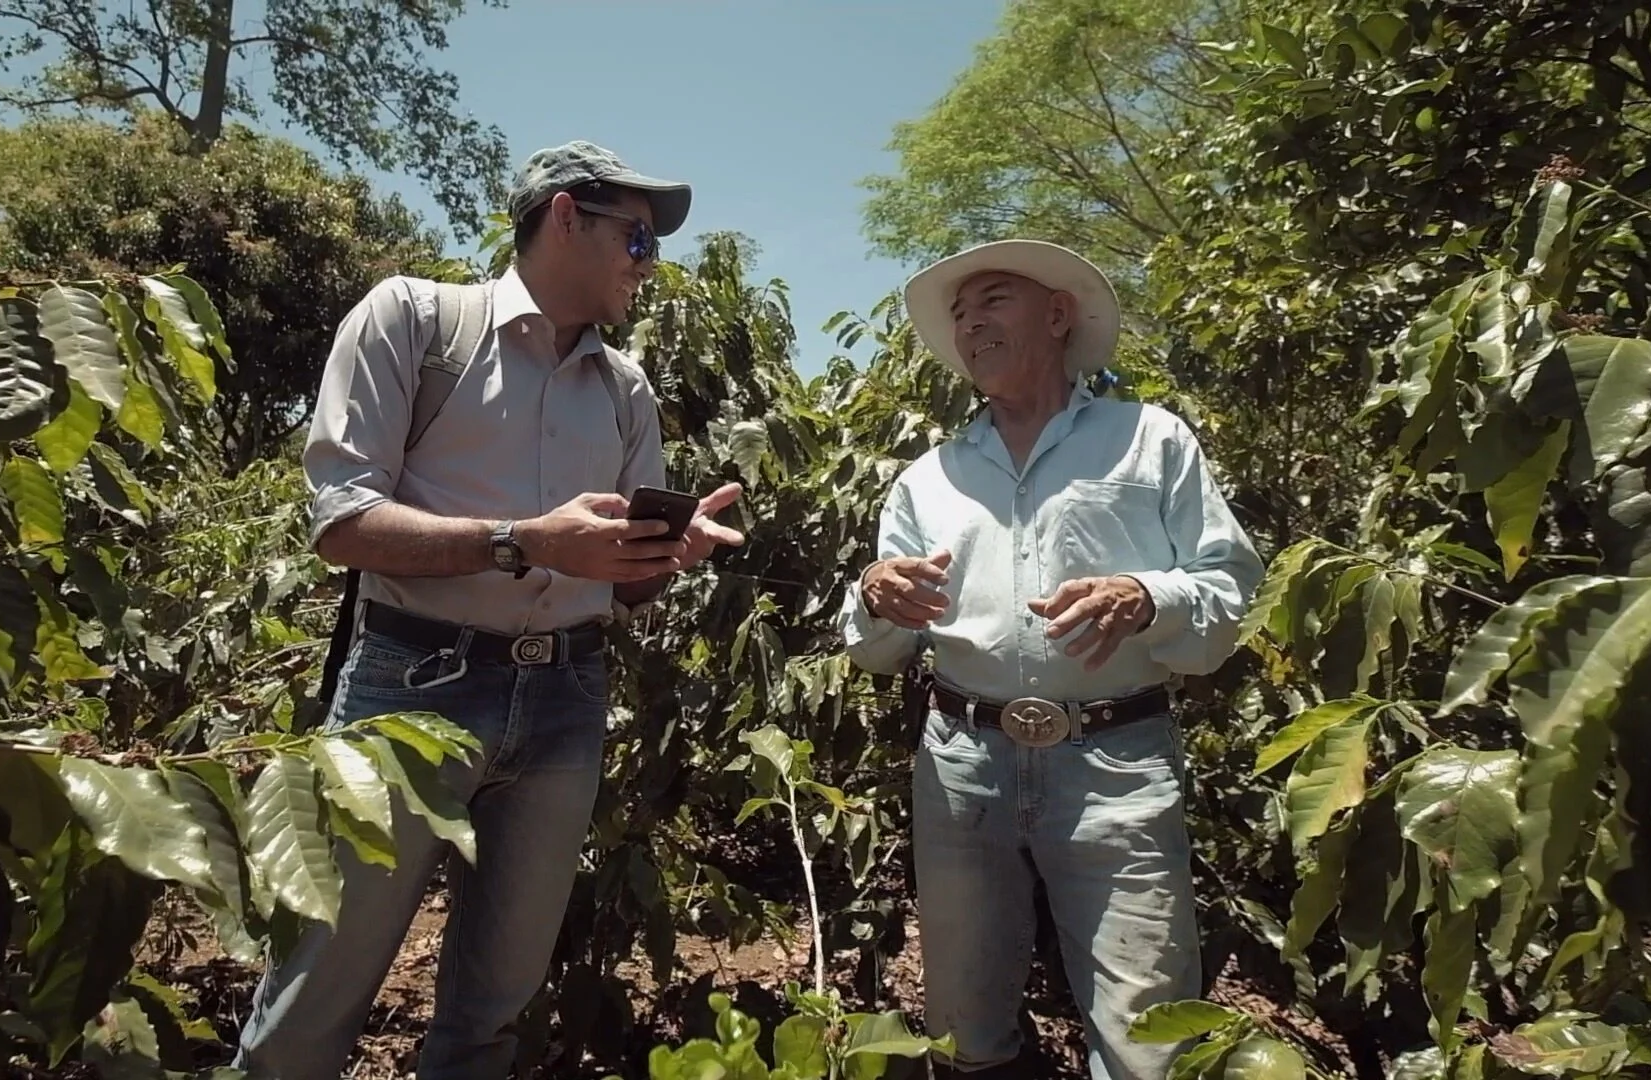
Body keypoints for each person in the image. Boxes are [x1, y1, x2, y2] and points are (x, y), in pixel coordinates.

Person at [234, 141, 745, 1080]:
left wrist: (664, 556)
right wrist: (526, 541)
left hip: (565, 698)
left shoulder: (626, 390)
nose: (650, 263)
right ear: (562, 217)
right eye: (636, 238)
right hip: (412, 685)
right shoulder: (416, 321)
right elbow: (343, 523)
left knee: (495, 1008)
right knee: (319, 984)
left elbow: (626, 587)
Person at [839, 240, 1264, 1079]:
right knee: (964, 1031)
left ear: (1058, 315)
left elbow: (1232, 591)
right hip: (963, 767)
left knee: (1151, 1040)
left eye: (993, 300)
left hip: (1117, 765)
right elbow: (876, 650)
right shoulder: (929, 479)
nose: (971, 325)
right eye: (961, 316)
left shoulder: (1151, 440)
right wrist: (875, 594)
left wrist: (1148, 598)